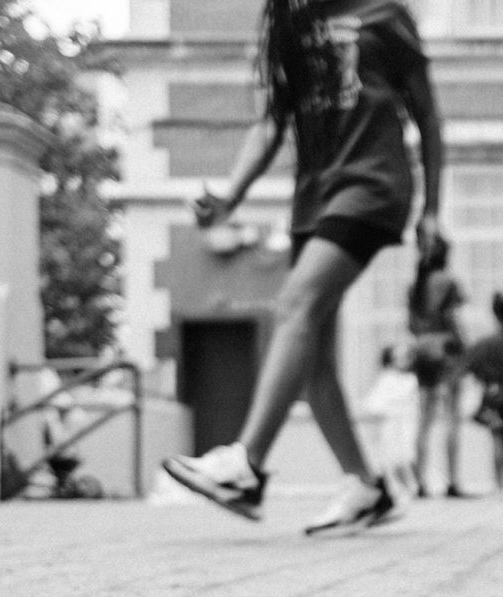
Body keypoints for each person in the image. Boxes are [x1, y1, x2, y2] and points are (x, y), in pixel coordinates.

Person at [163, 0, 443, 535]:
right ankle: (364, 486)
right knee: (313, 357)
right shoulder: (290, 26)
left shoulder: (385, 15)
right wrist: (229, 197)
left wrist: (433, 210)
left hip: (372, 186)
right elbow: (271, 123)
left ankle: (247, 463)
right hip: (314, 197)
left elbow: (428, 117)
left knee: (295, 304)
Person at [408, 237, 469, 498]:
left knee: (423, 420)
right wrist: (465, 349)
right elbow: (453, 318)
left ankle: (420, 483)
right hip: (446, 351)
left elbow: (410, 325)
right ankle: (451, 482)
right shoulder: (448, 282)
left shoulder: (415, 285)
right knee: (451, 418)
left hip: (422, 351)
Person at [467, 290, 503, 497]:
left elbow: (470, 364)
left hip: (492, 394)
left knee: (496, 440)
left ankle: (499, 485)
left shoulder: (485, 342)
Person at [362, 343, 421, 501]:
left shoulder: (412, 379)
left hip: (408, 422)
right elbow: (373, 404)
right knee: (393, 459)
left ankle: (415, 486)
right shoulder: (386, 379)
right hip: (391, 424)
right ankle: (402, 488)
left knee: (409, 456)